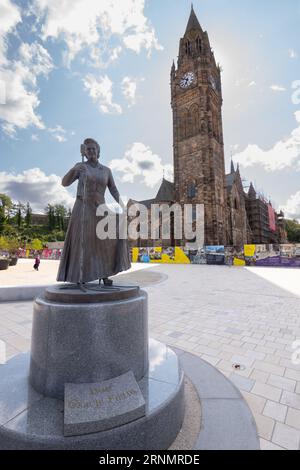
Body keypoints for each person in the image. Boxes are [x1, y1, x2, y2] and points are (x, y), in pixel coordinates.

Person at [56, 138, 131, 285]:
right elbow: (64, 183)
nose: (90, 151)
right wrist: (75, 169)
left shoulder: (106, 171)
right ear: (85, 151)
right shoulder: (80, 166)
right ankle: (78, 275)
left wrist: (123, 205)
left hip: (100, 208)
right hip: (83, 206)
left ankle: (105, 272)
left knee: (107, 240)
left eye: (93, 149)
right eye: (88, 149)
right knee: (81, 241)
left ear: (98, 152)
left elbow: (113, 189)